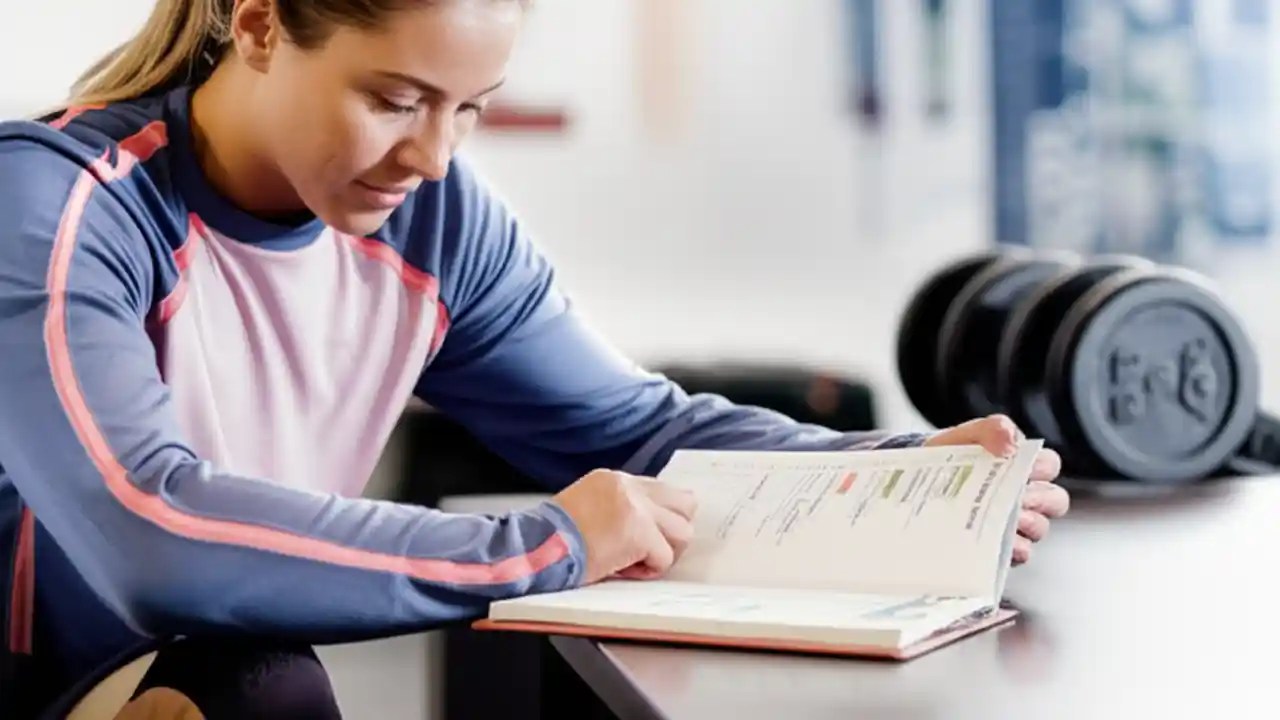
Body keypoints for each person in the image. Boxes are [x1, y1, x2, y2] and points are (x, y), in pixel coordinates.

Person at [0, 0, 1069, 716]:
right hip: (60, 684)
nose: (432, 156)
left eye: (468, 109)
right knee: (259, 687)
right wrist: (545, 544)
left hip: (169, 675)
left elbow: (644, 433)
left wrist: (903, 469)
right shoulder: (52, 204)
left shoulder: (433, 222)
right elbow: (149, 530)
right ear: (260, 24)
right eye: (393, 99)